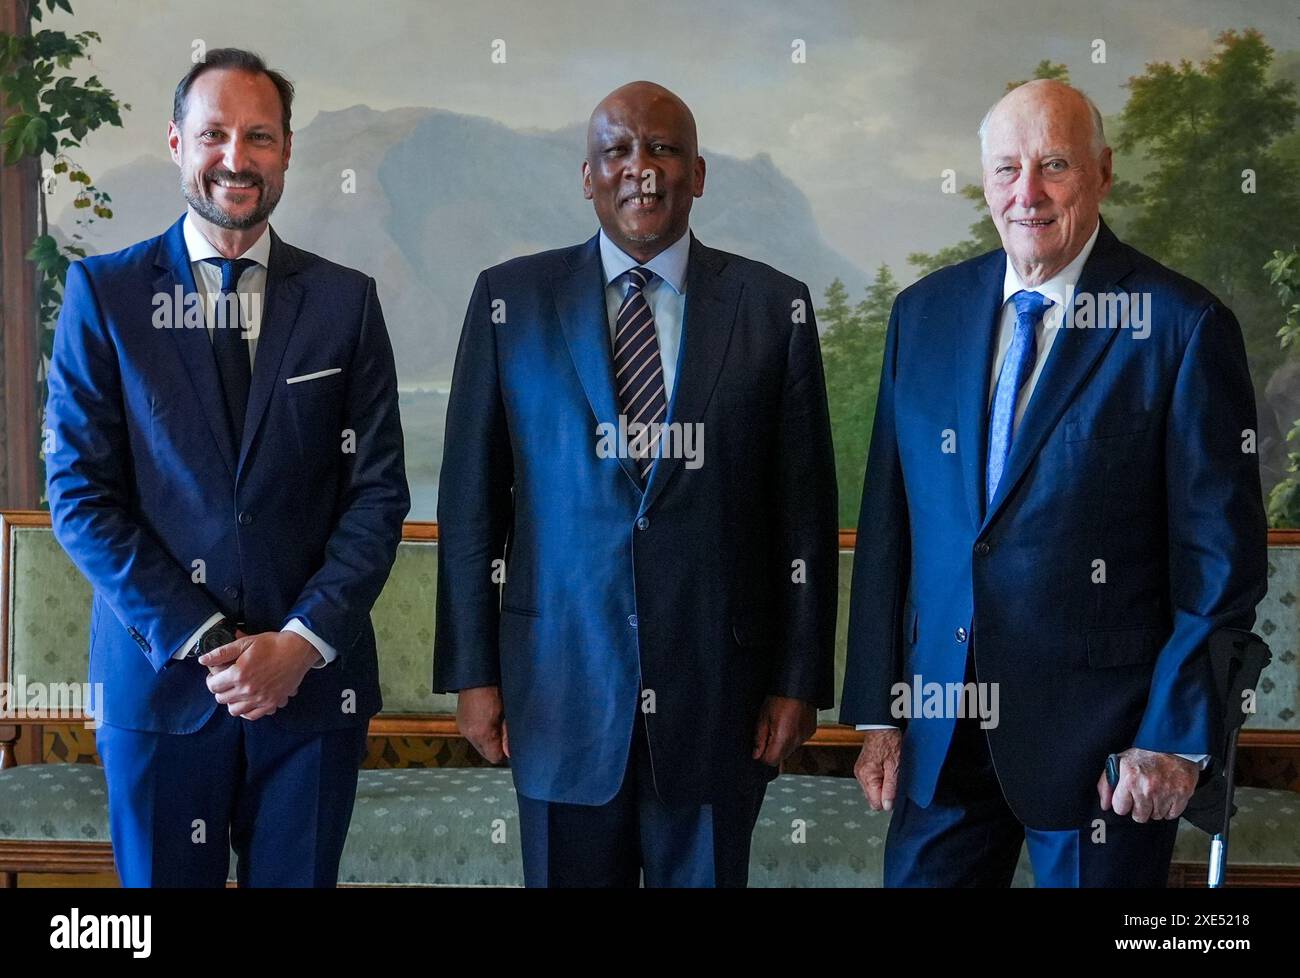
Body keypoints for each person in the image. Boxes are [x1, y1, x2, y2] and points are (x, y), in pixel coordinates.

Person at [841, 79, 1267, 887]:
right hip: (942, 738)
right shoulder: (924, 315)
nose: (1026, 193)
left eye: (1055, 165)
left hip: (1108, 757)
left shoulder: (1180, 326)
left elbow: (1220, 562)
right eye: (1006, 169)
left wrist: (1173, 737)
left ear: (1103, 173)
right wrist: (879, 712)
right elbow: (889, 525)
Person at [434, 81, 837, 887]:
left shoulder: (773, 307)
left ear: (698, 171)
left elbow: (804, 514)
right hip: (559, 692)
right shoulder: (510, 301)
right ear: (589, 175)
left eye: (662, 149)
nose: (640, 169)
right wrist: (473, 673)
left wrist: (798, 680)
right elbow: (471, 506)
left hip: (721, 698)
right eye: (617, 150)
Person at [44, 48, 409, 887]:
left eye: (259, 136)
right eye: (214, 134)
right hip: (161, 689)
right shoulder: (104, 296)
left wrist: (298, 643)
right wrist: (212, 643)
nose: (236, 159)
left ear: (287, 150)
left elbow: (377, 492)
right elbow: (80, 497)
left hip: (313, 692)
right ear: (177, 142)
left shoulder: (346, 303)